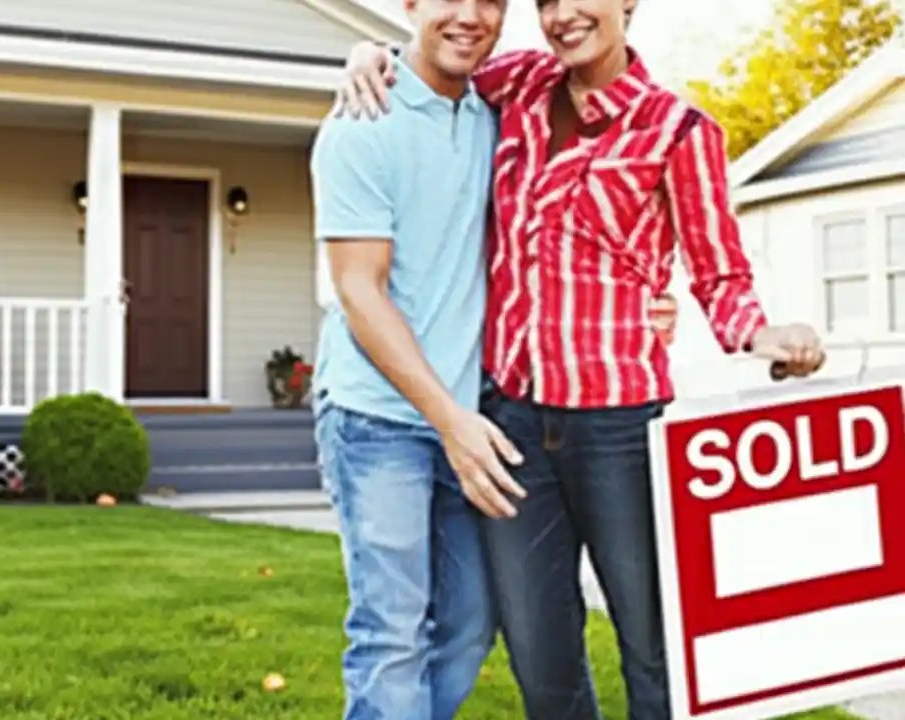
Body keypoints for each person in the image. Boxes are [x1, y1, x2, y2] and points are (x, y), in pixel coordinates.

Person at [332, 1, 827, 719]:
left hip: (621, 428)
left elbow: (719, 273)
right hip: (512, 426)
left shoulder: (678, 130)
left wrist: (761, 336)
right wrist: (365, 52)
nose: (562, 15)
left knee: (652, 644)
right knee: (540, 652)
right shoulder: (522, 86)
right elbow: (437, 59)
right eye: (546, 0)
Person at [308, 2, 521, 718]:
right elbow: (358, 291)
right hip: (377, 420)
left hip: (466, 415)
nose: (469, 16)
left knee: (469, 623)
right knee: (391, 635)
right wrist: (448, 421)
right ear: (409, 5)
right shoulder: (363, 123)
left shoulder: (498, 111)